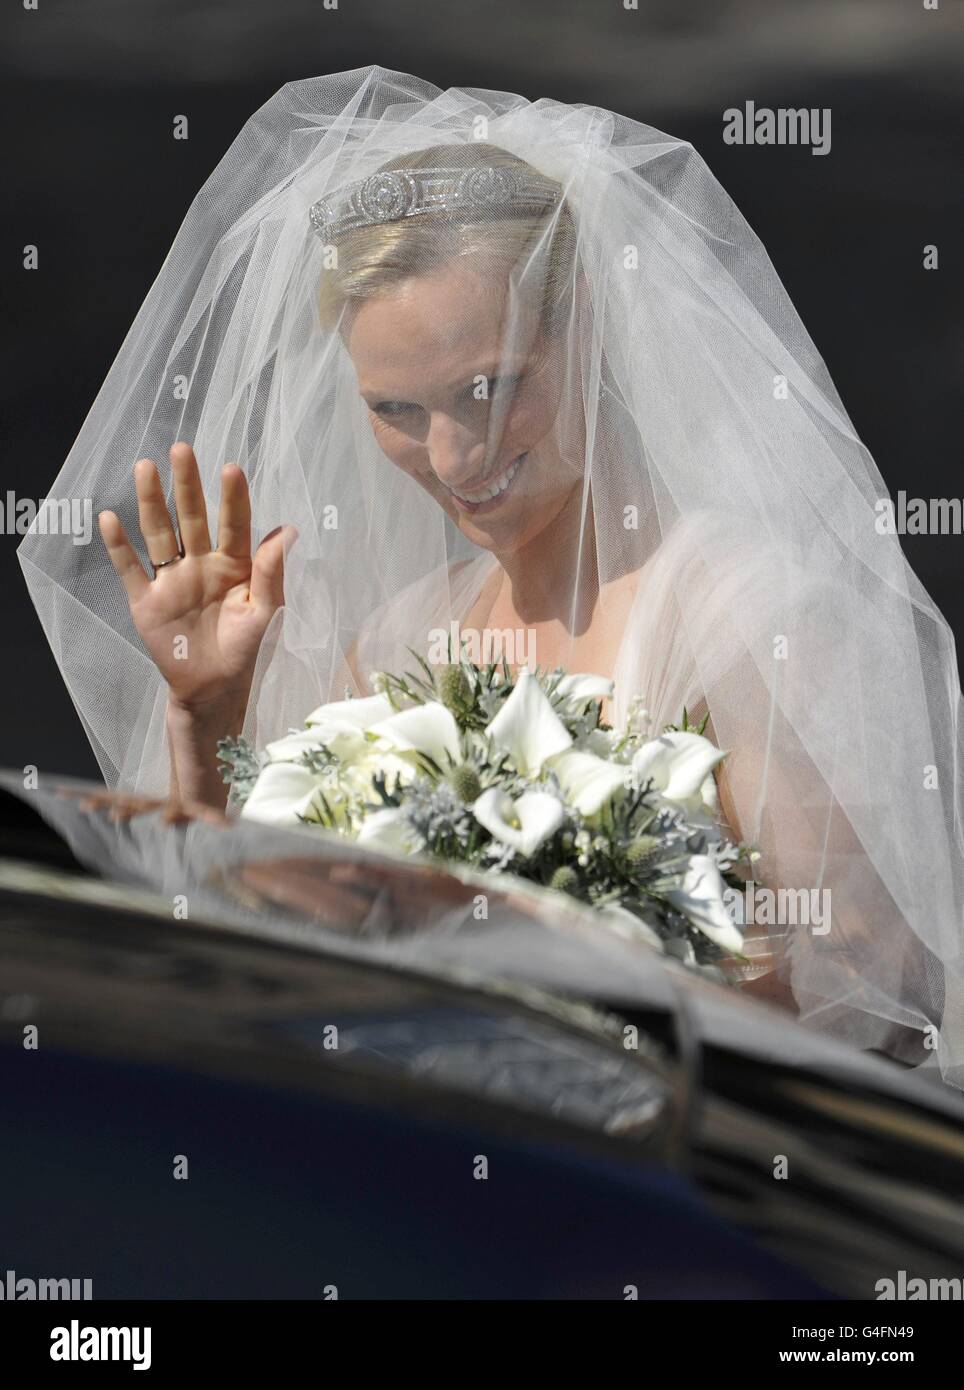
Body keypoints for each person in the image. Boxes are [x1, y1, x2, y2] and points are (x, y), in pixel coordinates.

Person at [18, 67, 964, 1086]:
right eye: (396, 411)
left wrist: (547, 981)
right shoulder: (399, 643)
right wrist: (204, 721)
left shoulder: (748, 612)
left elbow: (877, 999)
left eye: (489, 388)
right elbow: (252, 957)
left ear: (588, 320)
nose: (457, 458)